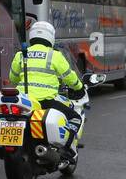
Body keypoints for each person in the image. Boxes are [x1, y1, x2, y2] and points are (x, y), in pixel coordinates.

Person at [10, 21, 87, 154]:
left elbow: (13, 78)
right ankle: (66, 150)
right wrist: (79, 88)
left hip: (23, 100)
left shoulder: (21, 54)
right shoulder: (54, 55)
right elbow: (69, 77)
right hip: (45, 101)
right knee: (75, 118)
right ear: (50, 37)